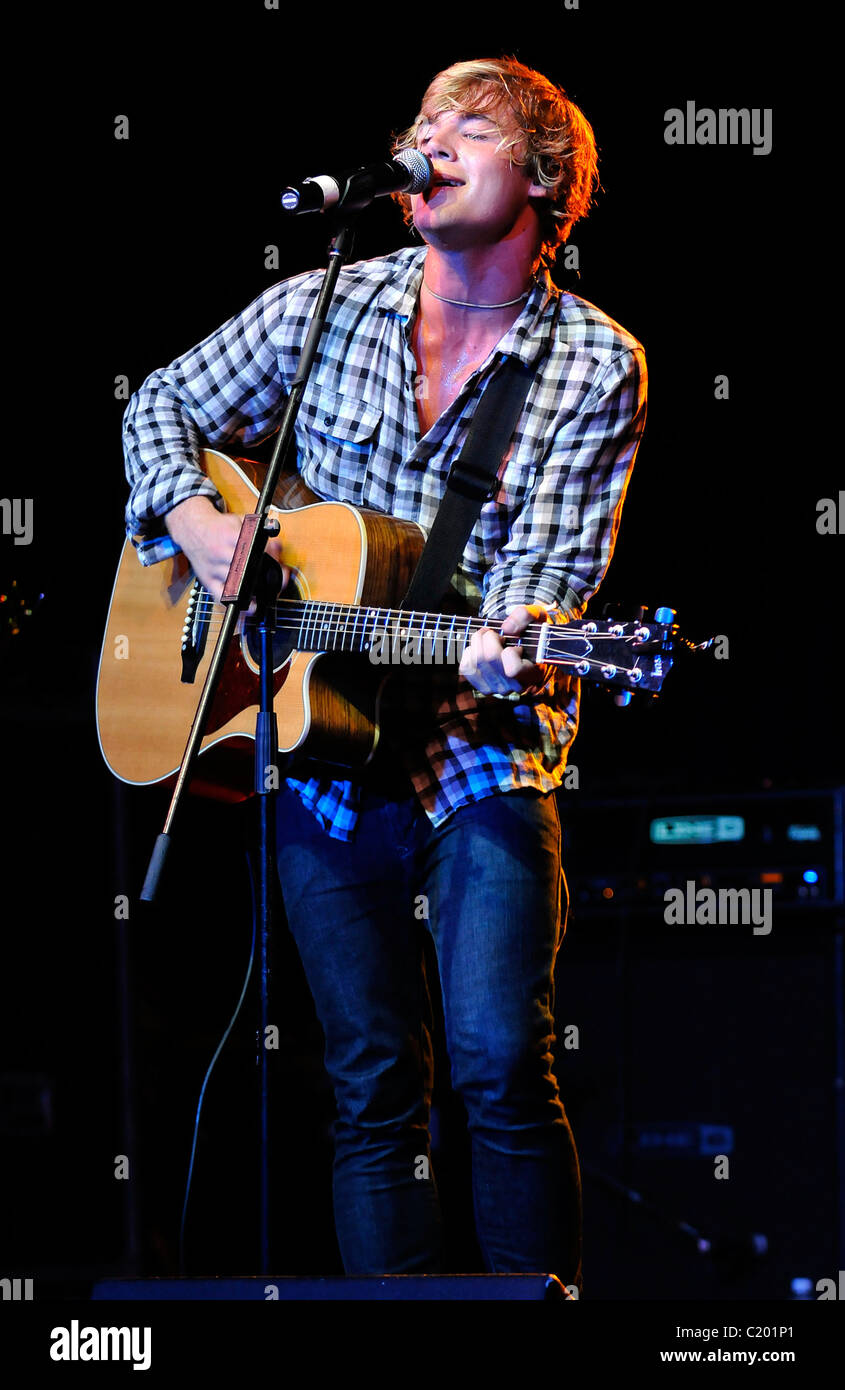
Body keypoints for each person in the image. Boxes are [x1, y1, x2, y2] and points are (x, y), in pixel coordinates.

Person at [122, 56, 647, 1292]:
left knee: (498, 1066)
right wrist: (205, 532)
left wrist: (507, 642)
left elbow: (546, 585)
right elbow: (158, 404)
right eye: (420, 128)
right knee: (368, 1086)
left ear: (543, 179)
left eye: (466, 130)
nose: (429, 146)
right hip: (315, 752)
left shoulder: (590, 363)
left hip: (474, 752)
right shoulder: (329, 303)